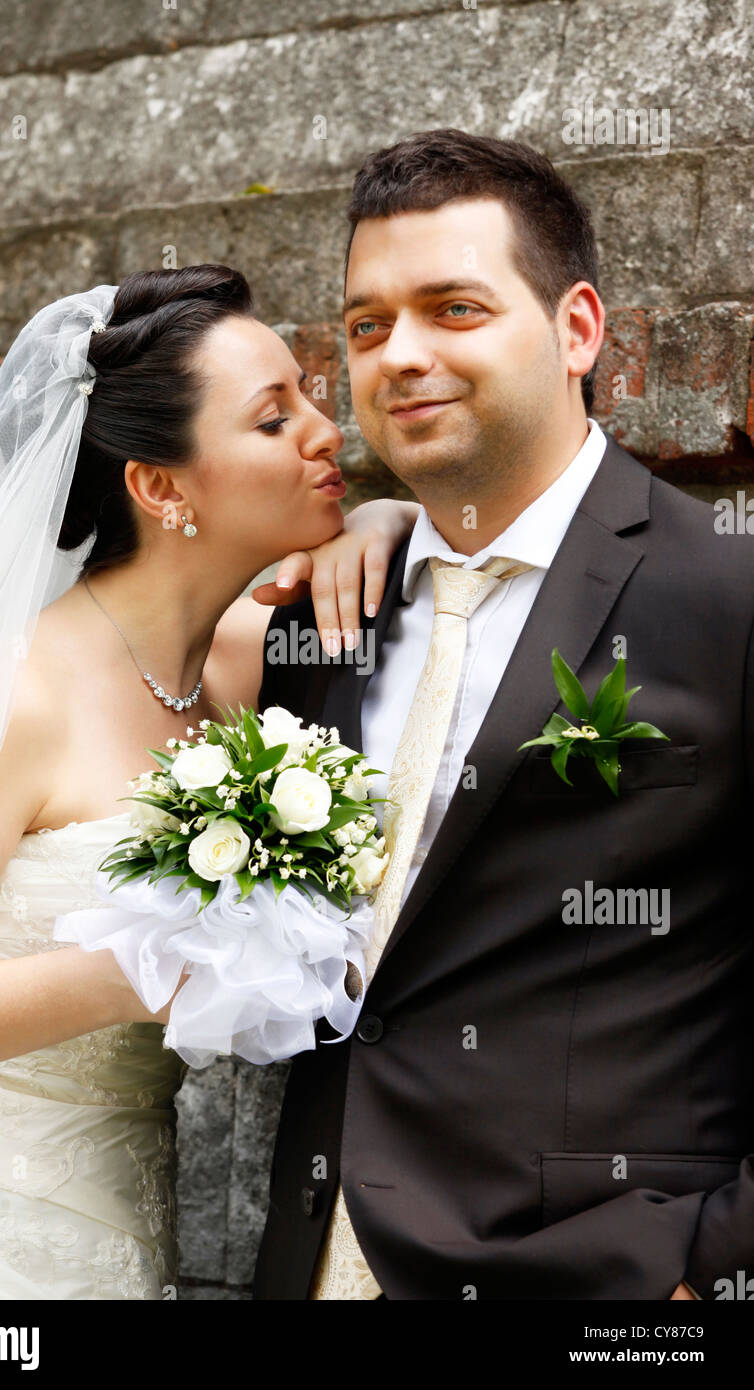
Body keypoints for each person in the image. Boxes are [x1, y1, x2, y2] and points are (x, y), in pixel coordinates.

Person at [253, 129, 754, 1301]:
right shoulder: (326, 616)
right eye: (367, 326)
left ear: (575, 330)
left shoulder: (724, 592)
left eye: (453, 309)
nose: (400, 356)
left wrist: (709, 1270)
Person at [0, 265, 417, 1300]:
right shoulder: (18, 693)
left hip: (124, 1232)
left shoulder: (234, 660)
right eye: (273, 419)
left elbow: (417, 568)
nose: (324, 430)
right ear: (161, 487)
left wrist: (388, 520)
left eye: (310, 394)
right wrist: (144, 965)